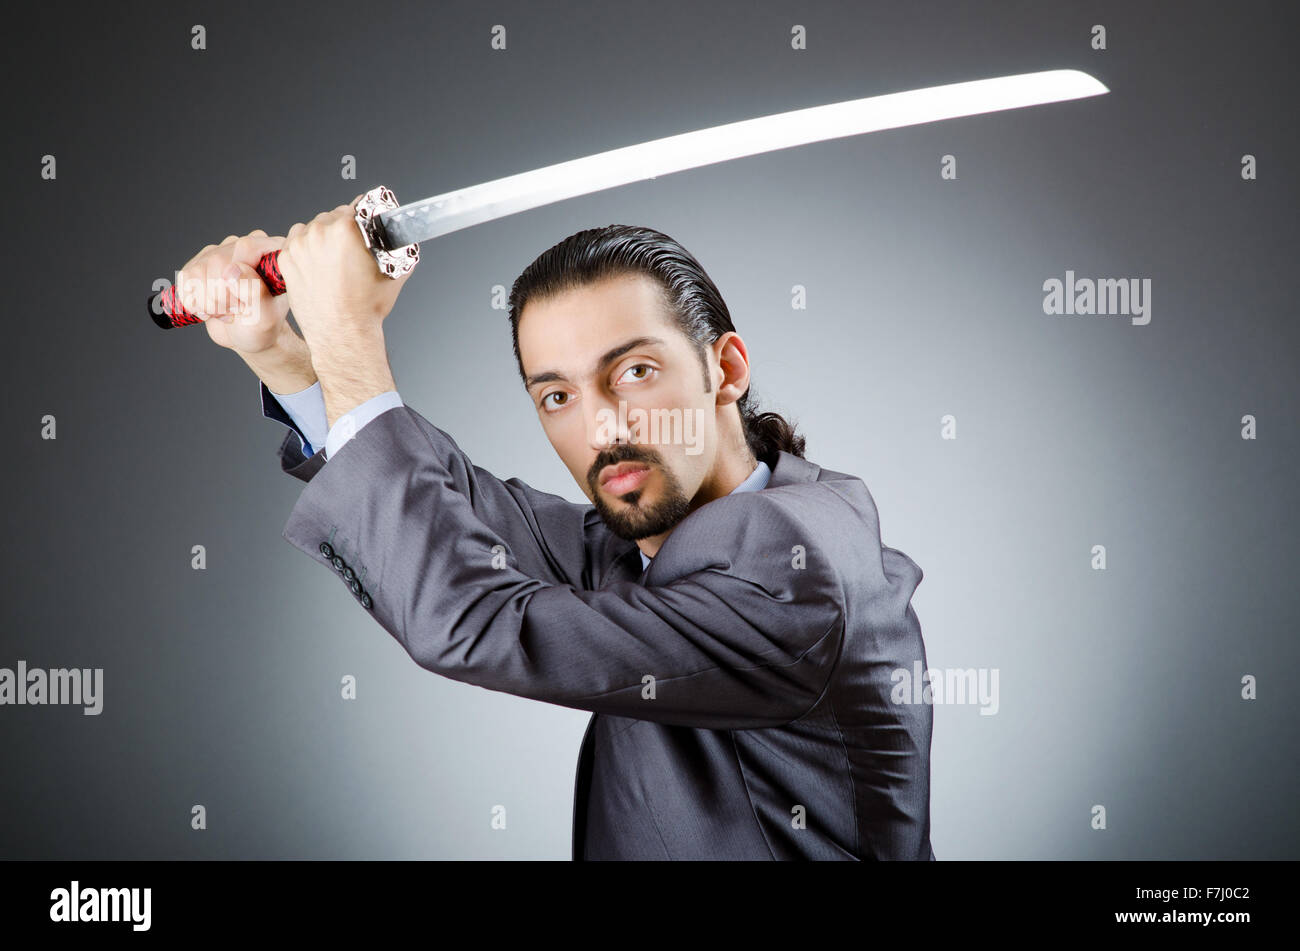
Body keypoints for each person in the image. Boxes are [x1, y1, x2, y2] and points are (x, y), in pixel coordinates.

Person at [176, 204, 937, 860]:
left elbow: (468, 618)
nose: (603, 428)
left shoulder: (789, 567)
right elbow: (461, 511)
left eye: (635, 371)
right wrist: (286, 356)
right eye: (557, 394)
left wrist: (350, 333)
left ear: (726, 368)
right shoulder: (661, 543)